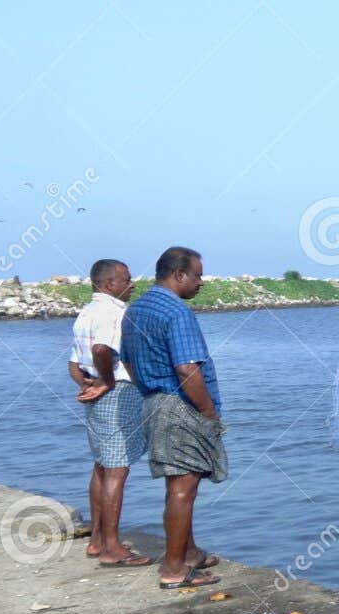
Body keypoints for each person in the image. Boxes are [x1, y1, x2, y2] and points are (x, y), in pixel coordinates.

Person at [119, 246, 227, 590]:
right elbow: (185, 368)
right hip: (180, 406)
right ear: (178, 274)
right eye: (197, 275)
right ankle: (175, 569)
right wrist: (208, 411)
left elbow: (130, 364)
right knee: (183, 490)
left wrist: (152, 392)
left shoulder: (136, 308)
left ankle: (189, 553)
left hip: (154, 402)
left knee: (178, 485)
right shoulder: (177, 312)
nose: (201, 282)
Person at [68, 259, 152, 567]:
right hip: (119, 395)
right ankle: (112, 548)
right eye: (127, 279)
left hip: (99, 396)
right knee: (117, 469)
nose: (133, 284)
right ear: (109, 285)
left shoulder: (86, 313)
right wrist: (107, 381)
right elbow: (102, 349)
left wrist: (87, 385)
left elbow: (74, 364)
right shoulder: (113, 313)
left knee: (102, 466)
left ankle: (97, 540)